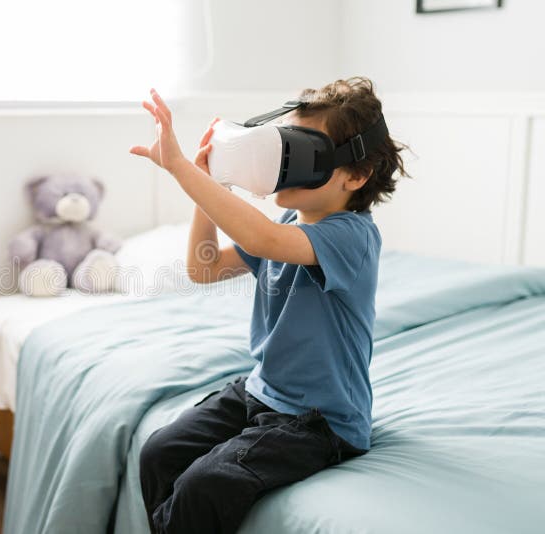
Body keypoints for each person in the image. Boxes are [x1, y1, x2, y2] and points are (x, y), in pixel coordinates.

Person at [129, 77, 408, 534]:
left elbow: (262, 238)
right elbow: (204, 267)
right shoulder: (284, 223)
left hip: (321, 420)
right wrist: (211, 183)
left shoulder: (352, 236)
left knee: (206, 484)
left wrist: (185, 171)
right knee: (159, 451)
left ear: (355, 176)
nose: (285, 167)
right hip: (261, 391)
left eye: (305, 156)